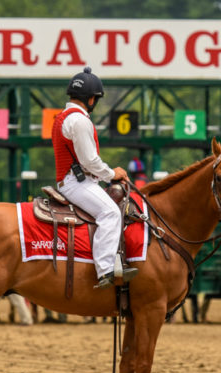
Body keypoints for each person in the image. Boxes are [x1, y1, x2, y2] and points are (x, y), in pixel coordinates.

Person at [52, 67, 137, 289]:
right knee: (109, 212)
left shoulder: (63, 117)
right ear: (91, 99)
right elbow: (89, 161)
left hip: (72, 180)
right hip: (76, 183)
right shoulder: (80, 121)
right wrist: (112, 174)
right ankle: (106, 269)